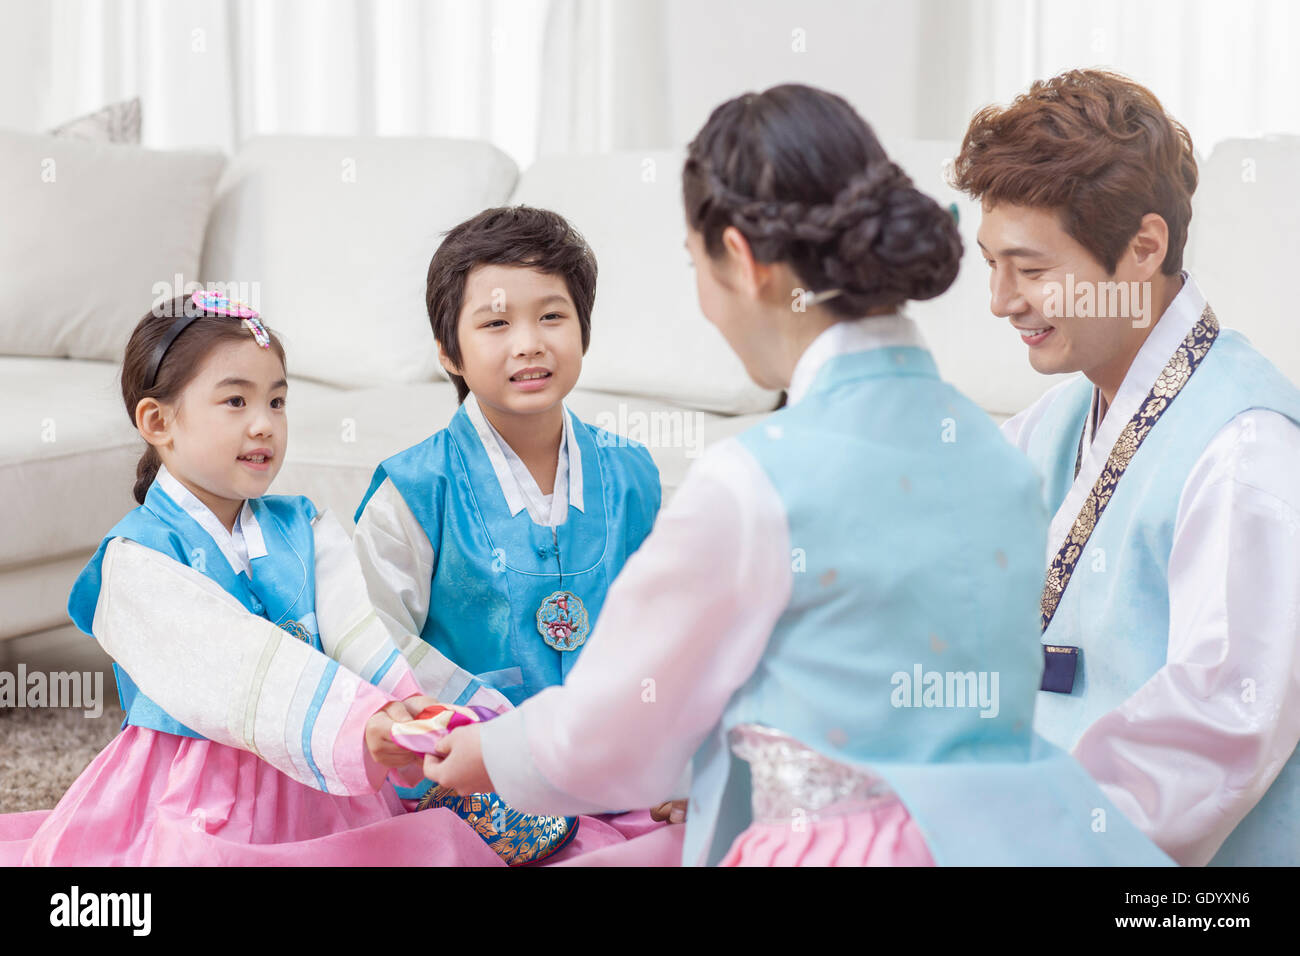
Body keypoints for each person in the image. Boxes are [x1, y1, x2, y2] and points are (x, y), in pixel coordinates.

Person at [418, 84, 1175, 867]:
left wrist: (492, 753)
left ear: (742, 261)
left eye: (696, 264)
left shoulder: (753, 483)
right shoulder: (999, 457)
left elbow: (621, 732)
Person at [0, 291, 508, 866]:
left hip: (319, 770)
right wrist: (357, 717)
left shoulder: (306, 524)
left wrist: (411, 707)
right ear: (157, 420)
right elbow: (228, 661)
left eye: (277, 401)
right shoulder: (138, 558)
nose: (264, 424)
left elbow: (360, 632)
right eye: (236, 401)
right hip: (197, 786)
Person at [951, 68, 1300, 866]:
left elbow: (1216, 730)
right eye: (992, 263)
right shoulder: (1058, 422)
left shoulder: (1246, 452)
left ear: (1145, 248)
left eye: (1032, 270)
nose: (1001, 300)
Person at [351, 206, 681, 863]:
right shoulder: (415, 492)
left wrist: (681, 761)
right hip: (471, 788)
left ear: (584, 329)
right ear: (449, 351)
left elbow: (669, 635)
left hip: (615, 775)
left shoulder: (631, 475)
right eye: (496, 323)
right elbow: (373, 649)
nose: (528, 343)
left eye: (552, 316)